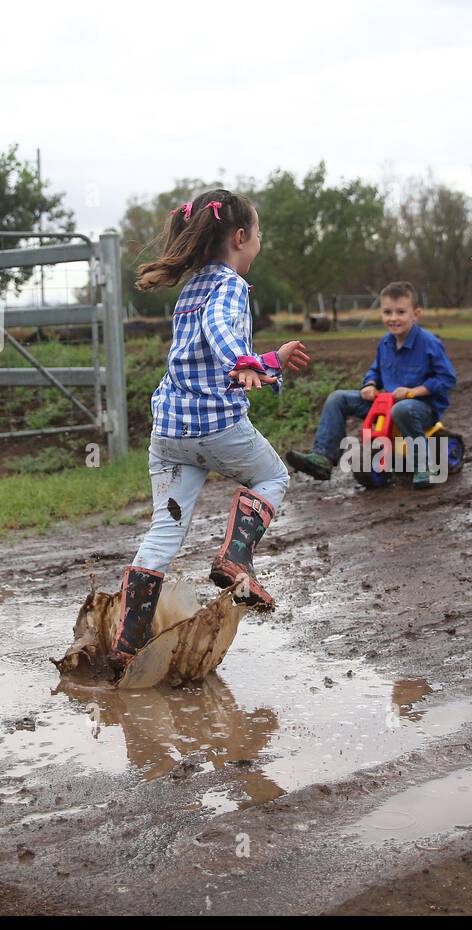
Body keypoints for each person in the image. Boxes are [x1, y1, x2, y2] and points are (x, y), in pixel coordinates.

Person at [110, 188, 308, 672]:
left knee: (163, 533)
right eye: (258, 235)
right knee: (272, 478)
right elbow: (221, 330)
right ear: (240, 238)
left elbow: (205, 338)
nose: (259, 243)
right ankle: (236, 557)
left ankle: (127, 643)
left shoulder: (191, 287)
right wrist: (254, 361)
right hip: (214, 426)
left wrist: (249, 368)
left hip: (169, 434)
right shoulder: (229, 286)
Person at [285, 281, 456, 489]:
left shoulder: (429, 343)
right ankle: (323, 457)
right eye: (387, 312)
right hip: (387, 403)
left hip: (420, 406)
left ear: (416, 314)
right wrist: (371, 384)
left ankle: (423, 465)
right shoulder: (385, 343)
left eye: (401, 312)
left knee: (401, 409)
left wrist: (413, 392)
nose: (393, 318)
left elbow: (446, 377)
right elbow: (375, 370)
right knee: (337, 398)